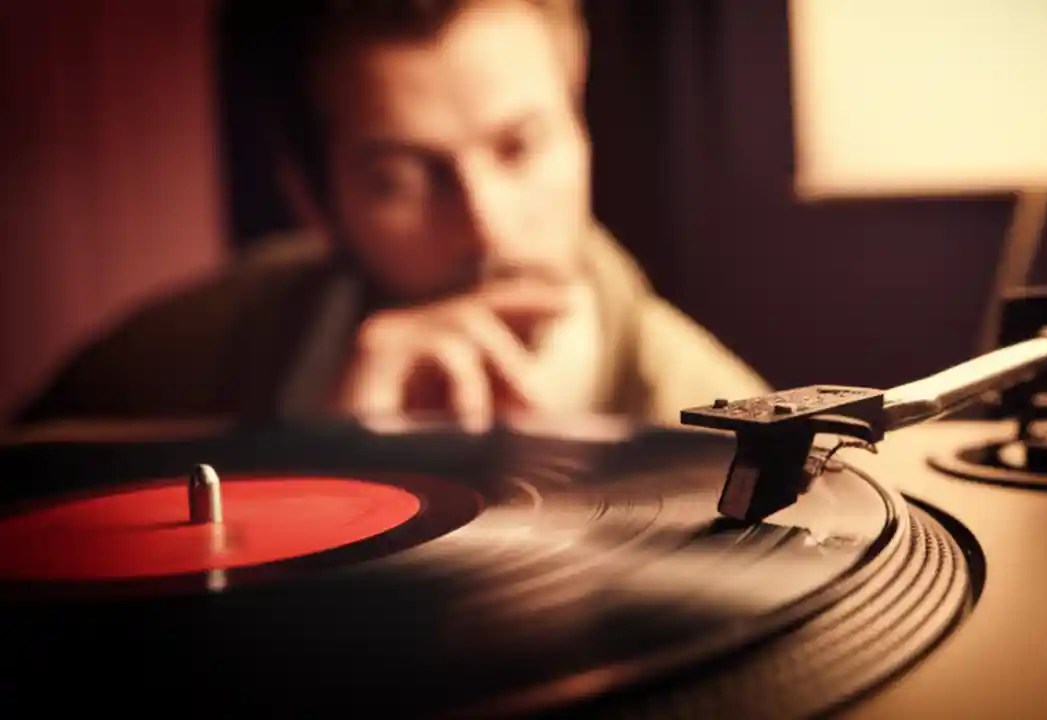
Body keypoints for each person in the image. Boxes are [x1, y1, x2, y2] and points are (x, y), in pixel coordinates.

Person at [17, 0, 767, 431]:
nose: (486, 227)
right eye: (401, 179)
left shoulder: (710, 418)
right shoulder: (166, 361)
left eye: (520, 147)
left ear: (581, 128)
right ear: (313, 200)